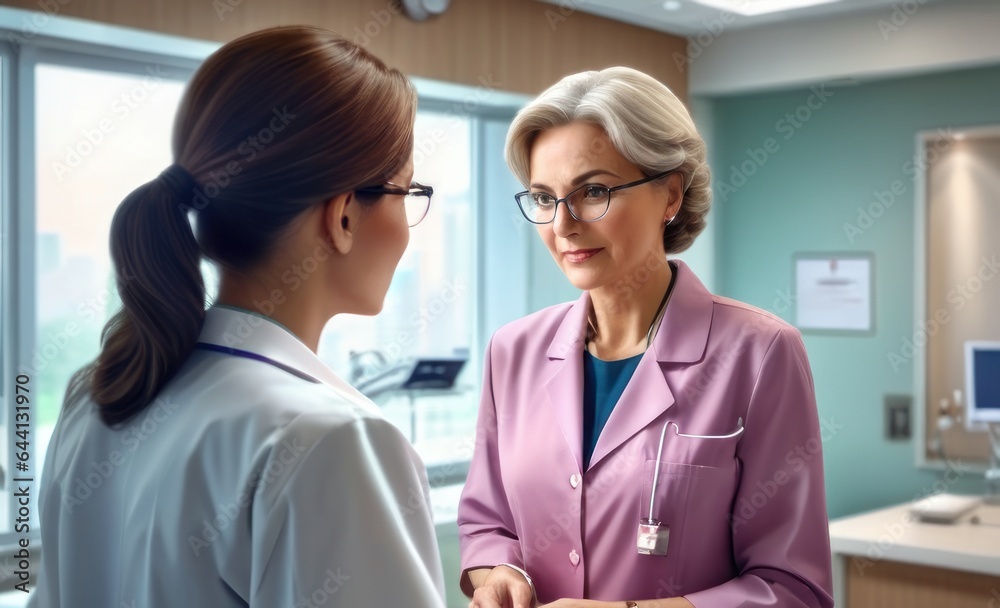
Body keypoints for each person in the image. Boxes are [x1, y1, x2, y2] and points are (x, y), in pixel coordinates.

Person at [29, 26, 445, 607]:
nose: (408, 225)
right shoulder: (330, 440)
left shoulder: (95, 396)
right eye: (407, 191)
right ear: (344, 216)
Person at [457, 66, 833, 608]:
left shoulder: (760, 354)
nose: (563, 224)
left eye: (593, 191)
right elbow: (486, 522)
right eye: (543, 198)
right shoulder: (512, 351)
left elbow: (793, 589)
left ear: (670, 195)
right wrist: (497, 573)